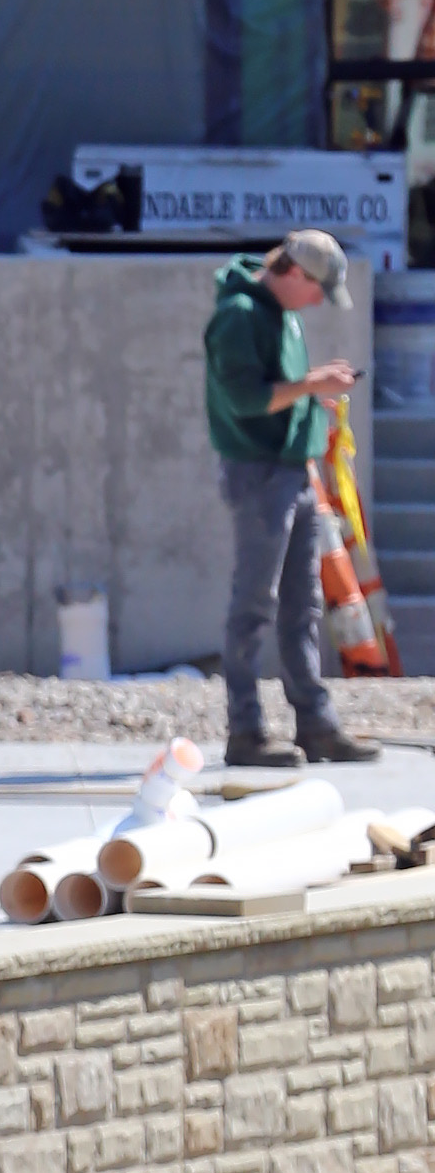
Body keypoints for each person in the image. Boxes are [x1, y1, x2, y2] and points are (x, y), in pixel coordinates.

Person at [204, 228, 381, 769]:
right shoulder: (238, 316)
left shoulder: (284, 315)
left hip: (291, 471)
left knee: (303, 605)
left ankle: (316, 724)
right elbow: (244, 398)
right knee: (255, 603)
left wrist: (310, 401)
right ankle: (245, 731)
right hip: (259, 474)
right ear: (295, 274)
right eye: (316, 290)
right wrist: (309, 386)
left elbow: (277, 391)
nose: (317, 302)